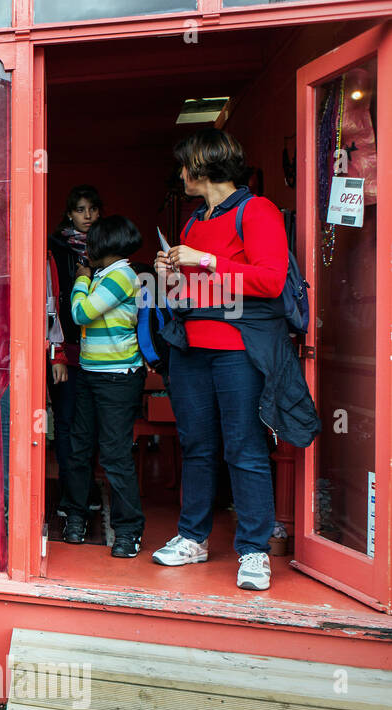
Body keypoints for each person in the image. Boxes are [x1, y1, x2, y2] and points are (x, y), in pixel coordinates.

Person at [153, 128, 319, 589]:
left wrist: (205, 261)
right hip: (191, 348)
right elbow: (183, 292)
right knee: (197, 446)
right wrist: (168, 274)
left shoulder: (257, 210)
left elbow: (269, 280)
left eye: (184, 164)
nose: (180, 173)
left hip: (238, 350)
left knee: (244, 447)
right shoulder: (191, 222)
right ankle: (193, 538)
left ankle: (254, 550)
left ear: (202, 166)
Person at [60, 215, 147, 558]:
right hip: (91, 374)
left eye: (91, 242)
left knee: (114, 454)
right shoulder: (105, 275)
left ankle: (128, 531)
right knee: (80, 449)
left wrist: (80, 280)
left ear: (106, 245)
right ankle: (76, 517)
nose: (87, 248)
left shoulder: (122, 276)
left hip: (117, 378)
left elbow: (81, 313)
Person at [47, 185, 105, 518]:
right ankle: (71, 496)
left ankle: (85, 490)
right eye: (81, 209)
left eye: (93, 209)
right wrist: (57, 354)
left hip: (100, 346)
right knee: (67, 423)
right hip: (66, 344)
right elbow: (51, 301)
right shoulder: (55, 248)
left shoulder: (107, 249)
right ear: (70, 213)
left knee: (92, 423)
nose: (87, 216)